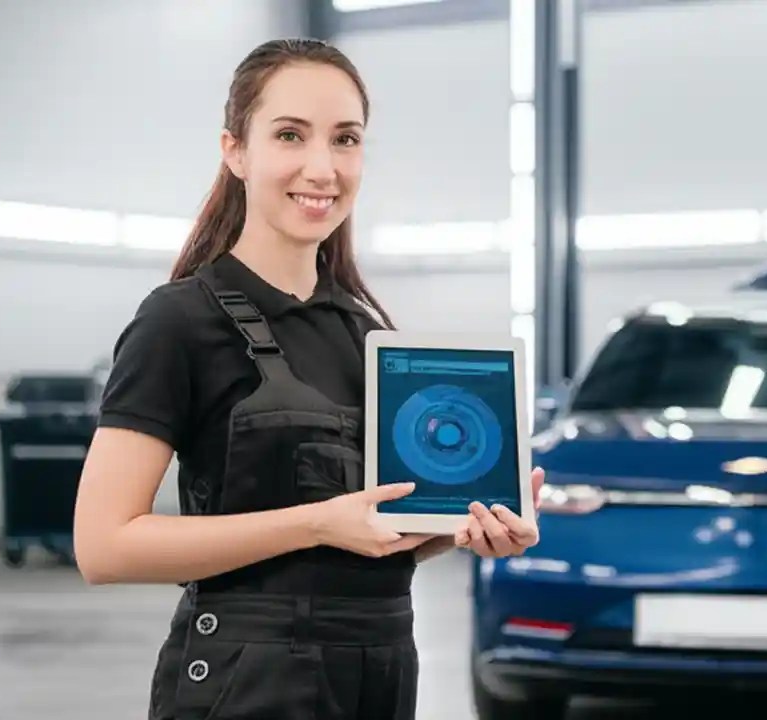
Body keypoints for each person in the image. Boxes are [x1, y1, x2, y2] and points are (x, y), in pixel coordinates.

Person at [72, 38, 543, 720]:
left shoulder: (368, 337)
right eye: (290, 135)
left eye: (345, 140)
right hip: (245, 683)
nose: (322, 167)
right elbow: (104, 545)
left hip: (378, 675)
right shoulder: (178, 321)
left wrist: (468, 526)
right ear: (236, 151)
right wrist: (318, 523)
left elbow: (375, 534)